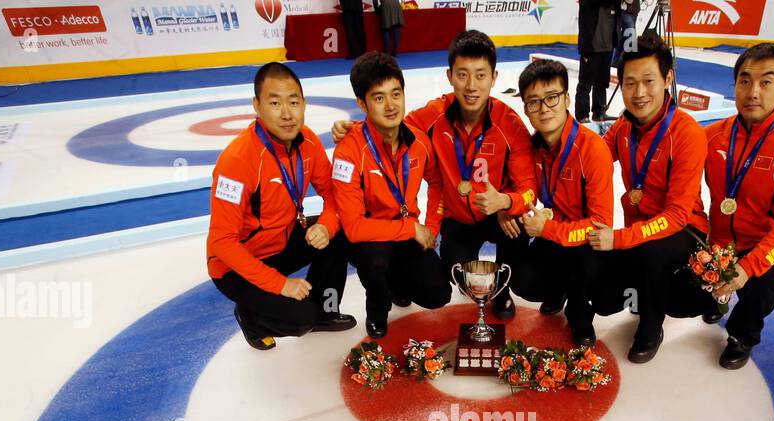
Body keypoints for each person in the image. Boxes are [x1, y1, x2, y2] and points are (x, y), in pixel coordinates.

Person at [333, 30, 537, 318]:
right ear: (449, 75)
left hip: (497, 215)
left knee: (517, 230)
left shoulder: (510, 124)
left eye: (480, 75)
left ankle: (501, 293)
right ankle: (398, 287)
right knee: (449, 279)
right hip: (456, 219)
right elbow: (391, 123)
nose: (471, 86)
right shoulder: (433, 115)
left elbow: (530, 190)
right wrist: (352, 128)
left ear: (494, 77)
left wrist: (505, 202)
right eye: (462, 75)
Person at [207, 62, 354, 351]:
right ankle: (251, 317)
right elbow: (222, 242)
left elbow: (333, 195)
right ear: (257, 106)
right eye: (274, 103)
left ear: (304, 104)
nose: (287, 114)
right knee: (300, 320)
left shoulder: (308, 141)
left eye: (293, 102)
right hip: (235, 265)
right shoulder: (237, 161)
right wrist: (279, 284)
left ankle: (325, 311)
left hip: (282, 240)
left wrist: (326, 223)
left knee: (340, 232)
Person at [588, 31, 712, 364]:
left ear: (667, 79)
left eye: (648, 81)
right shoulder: (623, 127)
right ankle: (642, 294)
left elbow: (675, 216)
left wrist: (619, 238)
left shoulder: (686, 133)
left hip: (683, 232)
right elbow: (592, 161)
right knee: (603, 296)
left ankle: (652, 325)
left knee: (653, 253)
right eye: (630, 83)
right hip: (640, 233)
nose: (639, 93)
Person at [702, 43, 774, 369]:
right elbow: (679, 186)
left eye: (766, 82)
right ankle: (713, 297)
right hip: (717, 244)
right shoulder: (712, 136)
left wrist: (748, 267)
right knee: (679, 291)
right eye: (745, 81)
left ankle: (742, 335)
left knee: (764, 283)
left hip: (766, 246)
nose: (753, 92)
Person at [331, 52, 451, 339]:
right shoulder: (348, 151)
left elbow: (437, 185)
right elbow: (354, 227)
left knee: (438, 294)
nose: (390, 105)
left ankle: (396, 285)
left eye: (395, 94)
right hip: (369, 238)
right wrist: (411, 228)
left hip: (405, 233)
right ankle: (377, 307)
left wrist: (432, 227)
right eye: (379, 97)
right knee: (376, 260)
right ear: (362, 103)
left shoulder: (419, 141)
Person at [510, 58, 614, 347]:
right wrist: (505, 211)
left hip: (587, 242)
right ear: (526, 109)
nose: (544, 108)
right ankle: (558, 291)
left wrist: (548, 231)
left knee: (591, 267)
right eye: (534, 102)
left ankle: (581, 313)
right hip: (554, 233)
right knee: (523, 281)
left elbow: (600, 224)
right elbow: (520, 191)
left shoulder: (592, 149)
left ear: (567, 98)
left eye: (552, 98)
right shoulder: (530, 149)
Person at [576, 0, 617, 122]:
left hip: (608, 45)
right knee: (585, 82)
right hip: (591, 46)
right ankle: (582, 114)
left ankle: (599, 111)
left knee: (603, 81)